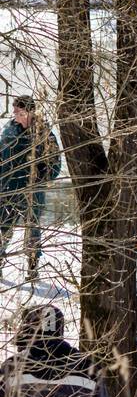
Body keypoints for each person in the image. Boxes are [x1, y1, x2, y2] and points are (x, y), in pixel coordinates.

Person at [0, 95, 62, 283]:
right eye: (14, 112)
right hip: (8, 190)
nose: (15, 115)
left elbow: (55, 164)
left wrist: (40, 178)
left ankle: (32, 267)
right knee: (3, 228)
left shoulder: (43, 134)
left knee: (32, 230)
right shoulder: (9, 131)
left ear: (30, 112)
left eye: (19, 112)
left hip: (32, 191)